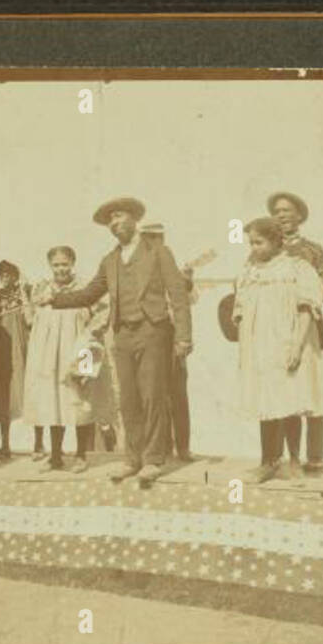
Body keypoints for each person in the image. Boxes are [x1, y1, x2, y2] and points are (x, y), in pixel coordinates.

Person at [33, 197, 193, 489]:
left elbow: (179, 296)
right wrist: (53, 299)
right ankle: (132, 459)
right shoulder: (110, 260)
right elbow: (89, 294)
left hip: (154, 331)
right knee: (129, 399)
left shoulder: (159, 252)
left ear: (134, 219)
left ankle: (153, 460)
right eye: (110, 221)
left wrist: (183, 336)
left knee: (152, 396)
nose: (114, 224)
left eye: (119, 217)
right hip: (122, 335)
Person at [231, 217, 323, 483]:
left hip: (287, 341)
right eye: (251, 242)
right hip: (259, 345)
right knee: (265, 401)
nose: (254, 247)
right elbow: (240, 310)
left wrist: (297, 345)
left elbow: (307, 309)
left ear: (275, 241)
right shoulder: (249, 271)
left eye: (259, 242)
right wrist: (244, 350)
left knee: (290, 401)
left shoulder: (297, 268)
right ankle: (267, 461)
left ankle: (294, 461)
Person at [23, 245, 117, 473]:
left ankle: (81, 455)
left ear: (72, 263)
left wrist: (92, 333)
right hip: (49, 354)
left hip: (81, 348)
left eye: (65, 264)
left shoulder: (85, 287)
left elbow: (104, 312)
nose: (61, 269)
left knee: (81, 399)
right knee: (54, 400)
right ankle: (55, 456)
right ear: (50, 266)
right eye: (56, 264)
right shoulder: (42, 288)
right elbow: (30, 319)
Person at [269, 191, 323, 474]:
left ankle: (315, 457)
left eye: (286, 211)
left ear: (299, 216)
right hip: (275, 330)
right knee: (283, 391)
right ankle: (286, 458)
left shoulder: (313, 249)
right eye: (277, 211)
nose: (281, 216)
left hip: (307, 328)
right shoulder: (267, 248)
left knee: (311, 390)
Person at [143, 222, 194, 462]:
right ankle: (162, 446)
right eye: (148, 237)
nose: (153, 242)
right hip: (149, 339)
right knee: (154, 395)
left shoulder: (169, 263)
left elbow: (187, 302)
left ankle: (182, 447)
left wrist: (188, 283)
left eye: (157, 237)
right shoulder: (138, 269)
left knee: (177, 394)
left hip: (171, 338)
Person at [0, 260, 30, 461]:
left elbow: (30, 318)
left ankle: (38, 443)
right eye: (2, 274)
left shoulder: (24, 294)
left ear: (16, 276)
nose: (6, 278)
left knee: (25, 391)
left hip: (21, 348)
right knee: (2, 396)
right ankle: (4, 443)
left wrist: (23, 293)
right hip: (0, 350)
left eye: (10, 274)